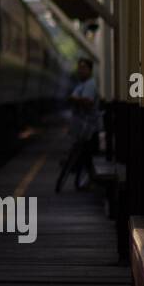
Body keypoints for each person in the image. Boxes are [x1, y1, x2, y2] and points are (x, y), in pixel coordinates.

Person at [57, 58, 102, 192]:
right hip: (82, 129)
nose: (80, 70)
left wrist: (75, 99)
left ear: (90, 70)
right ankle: (84, 181)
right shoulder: (81, 84)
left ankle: (88, 182)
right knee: (85, 157)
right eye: (79, 68)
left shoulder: (89, 85)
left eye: (83, 68)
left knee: (87, 156)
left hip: (89, 129)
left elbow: (87, 101)